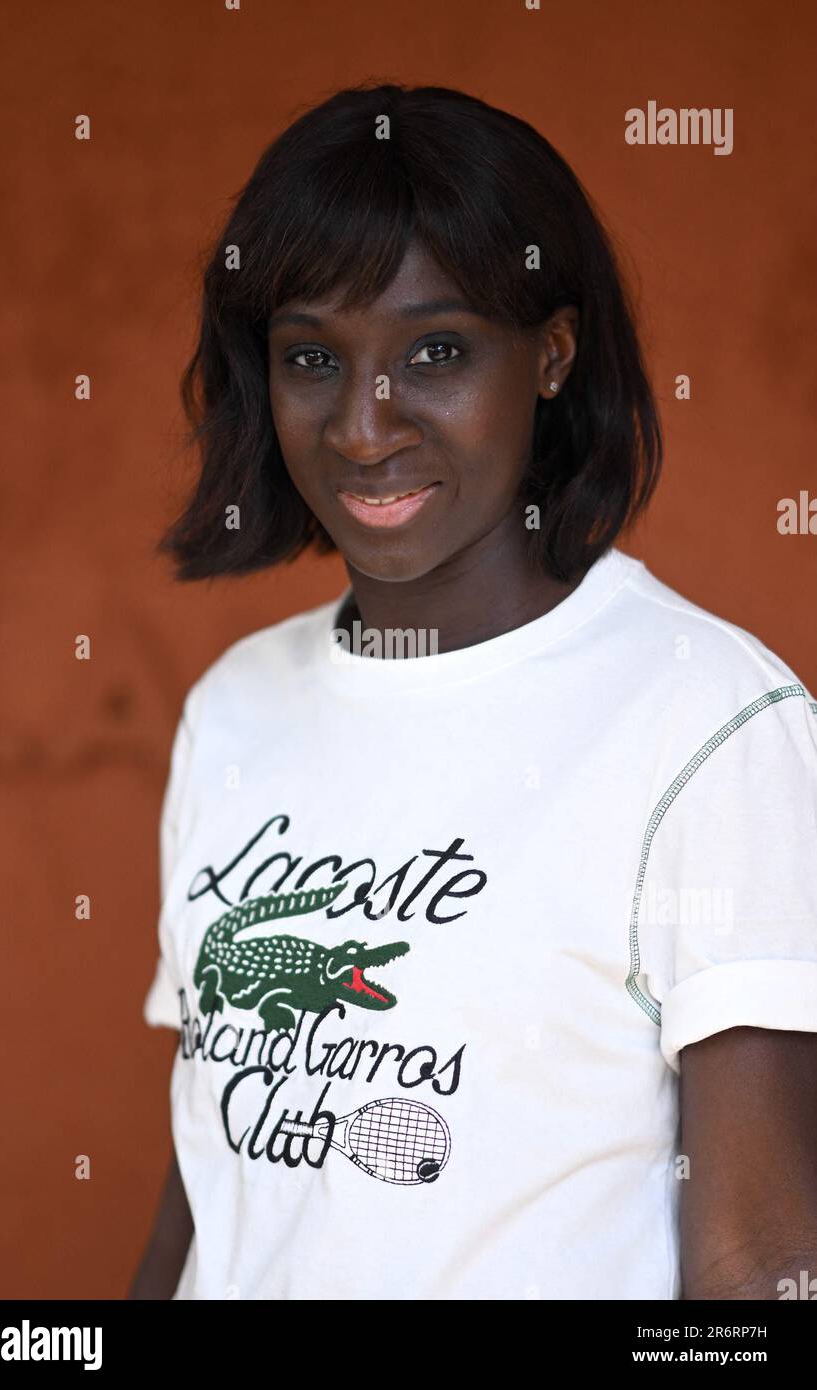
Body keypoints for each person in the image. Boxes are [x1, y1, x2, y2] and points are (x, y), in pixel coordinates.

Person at [128, 82, 817, 1301]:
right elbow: (218, 1176)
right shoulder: (235, 710)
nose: (362, 426)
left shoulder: (707, 722)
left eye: (433, 351)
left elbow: (756, 1265)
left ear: (549, 354)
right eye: (310, 359)